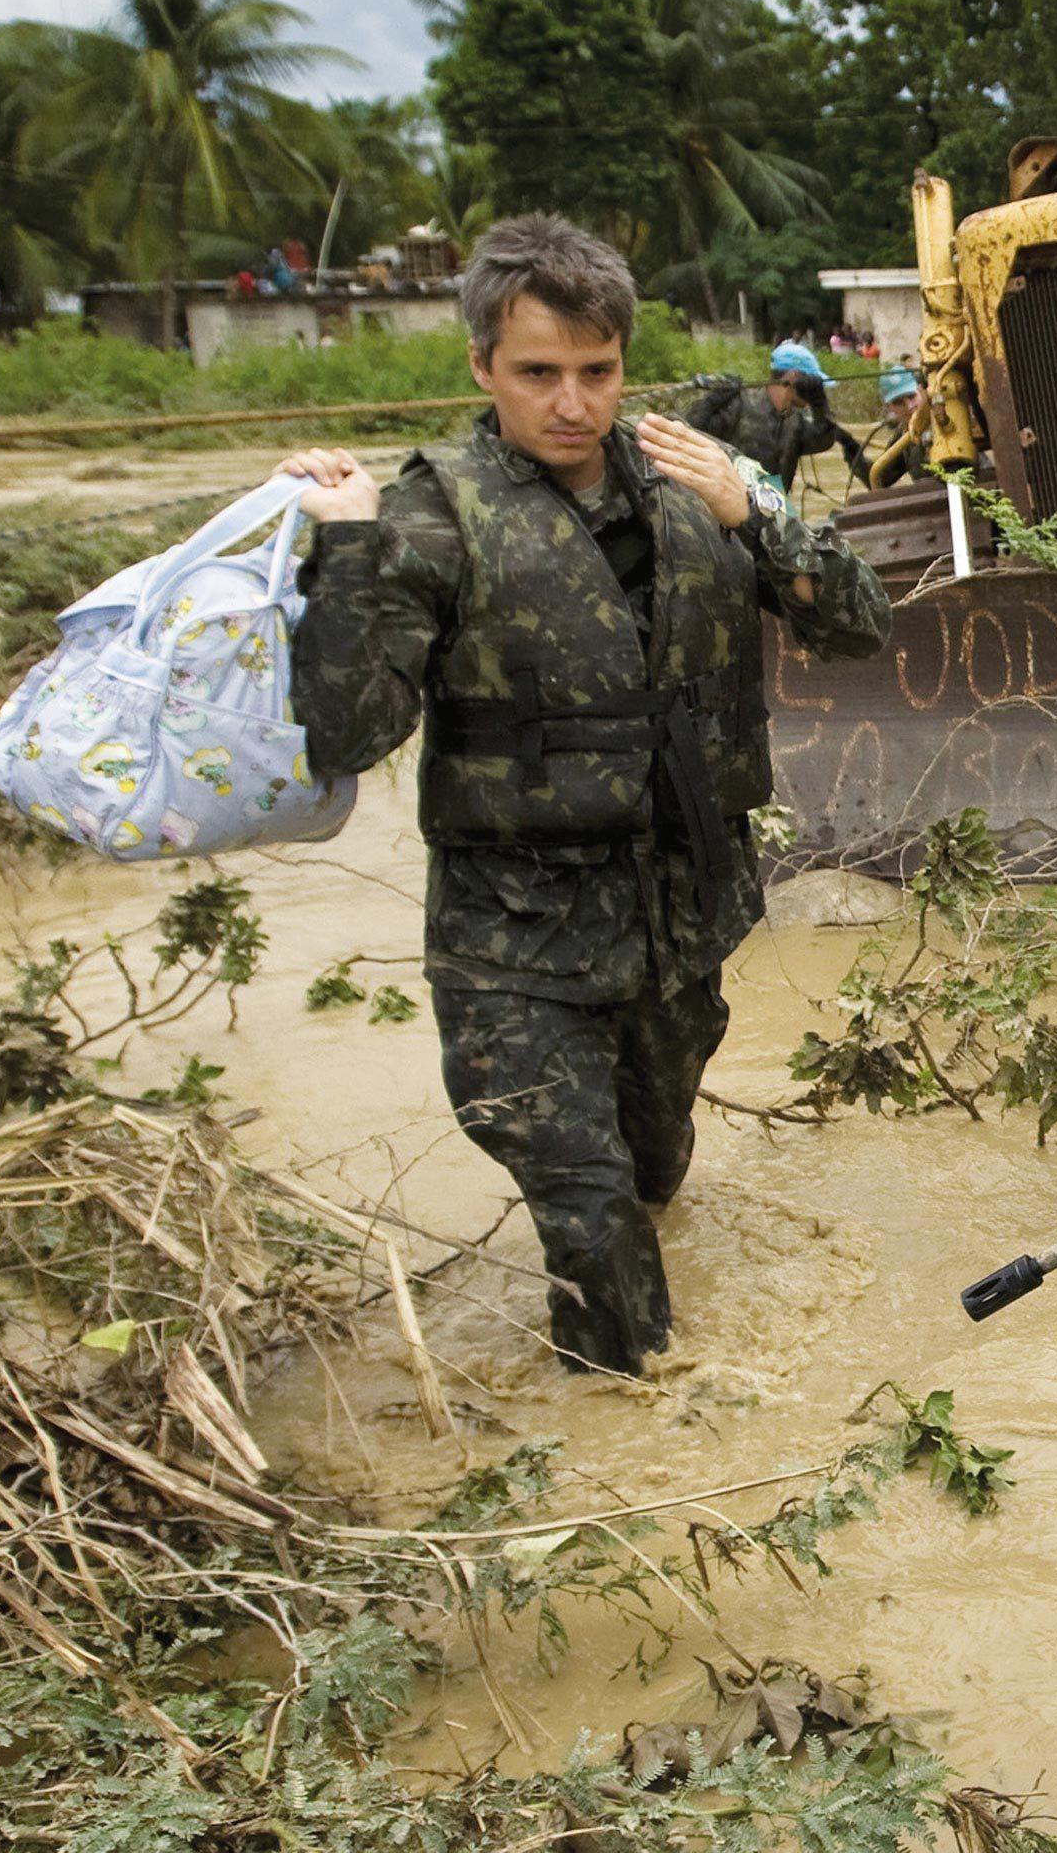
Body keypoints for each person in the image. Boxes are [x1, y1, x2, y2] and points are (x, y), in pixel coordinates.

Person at [274, 214, 891, 1374]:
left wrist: (753, 514)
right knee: (594, 1210)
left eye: (596, 372)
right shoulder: (428, 516)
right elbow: (350, 730)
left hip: (676, 924)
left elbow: (860, 625)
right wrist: (345, 549)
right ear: (480, 367)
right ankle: (637, 1446)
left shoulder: (696, 477)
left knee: (655, 1172)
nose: (572, 403)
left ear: (624, 359)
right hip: (515, 944)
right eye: (538, 373)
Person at [685, 339, 850, 493]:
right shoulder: (737, 405)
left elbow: (823, 442)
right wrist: (711, 402)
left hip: (774, 514)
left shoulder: (796, 421)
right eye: (812, 382)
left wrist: (820, 405)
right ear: (793, 377)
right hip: (730, 510)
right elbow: (687, 436)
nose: (813, 388)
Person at [865, 365, 930, 489]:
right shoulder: (903, 433)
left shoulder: (945, 420)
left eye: (912, 396)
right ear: (889, 407)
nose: (909, 406)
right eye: (899, 402)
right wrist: (848, 443)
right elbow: (882, 478)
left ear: (922, 391)